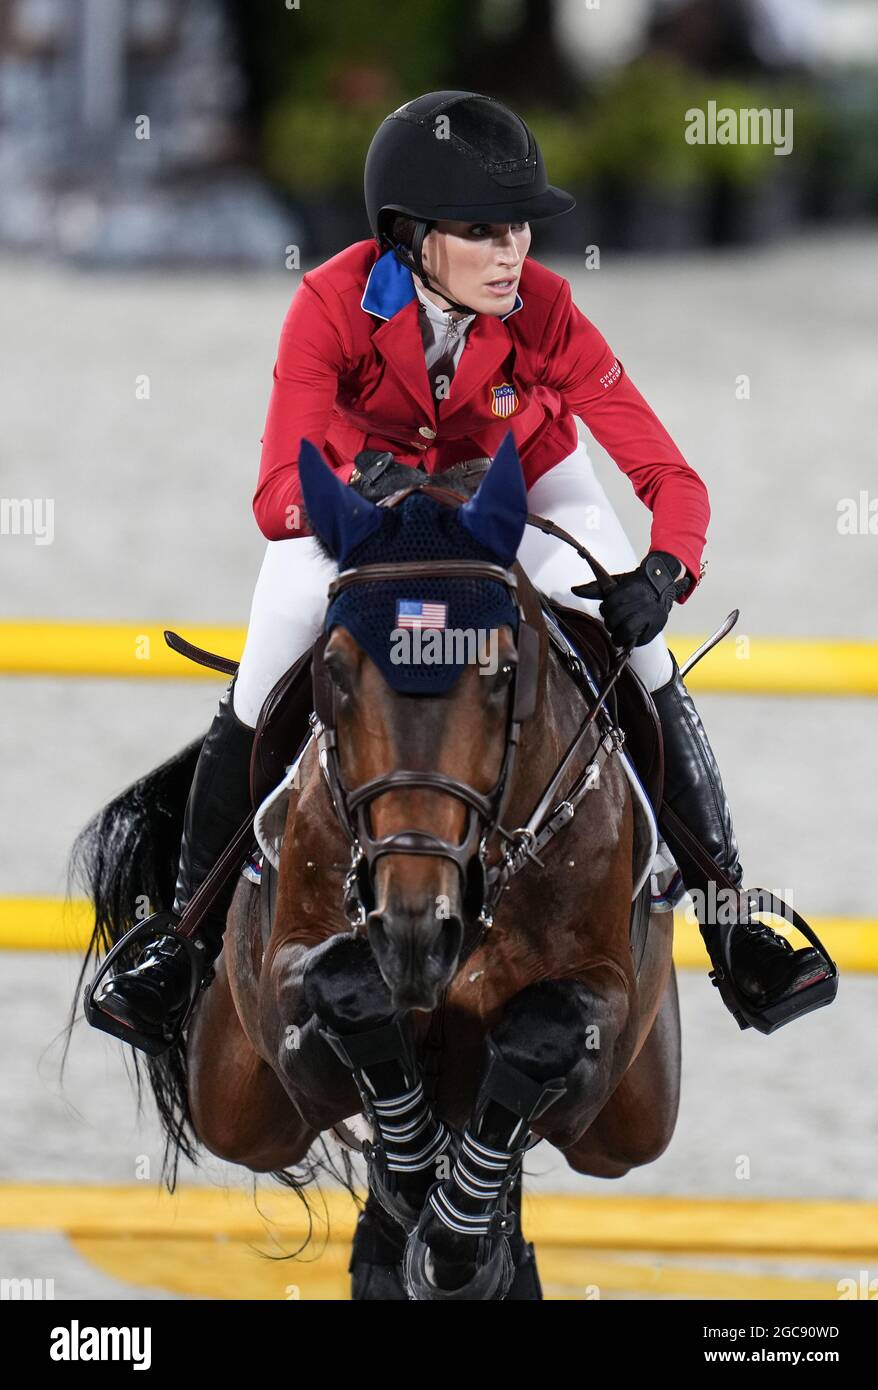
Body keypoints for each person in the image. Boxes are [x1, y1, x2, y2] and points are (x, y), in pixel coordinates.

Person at [93, 90, 826, 1052]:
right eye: (483, 232)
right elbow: (276, 492)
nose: (513, 251)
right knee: (272, 652)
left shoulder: (548, 309)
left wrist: (664, 571)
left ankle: (731, 916)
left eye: (518, 227)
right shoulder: (328, 303)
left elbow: (668, 476)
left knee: (643, 661)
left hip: (525, 491)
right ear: (411, 238)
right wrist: (369, 484)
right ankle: (182, 942)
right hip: (361, 507)